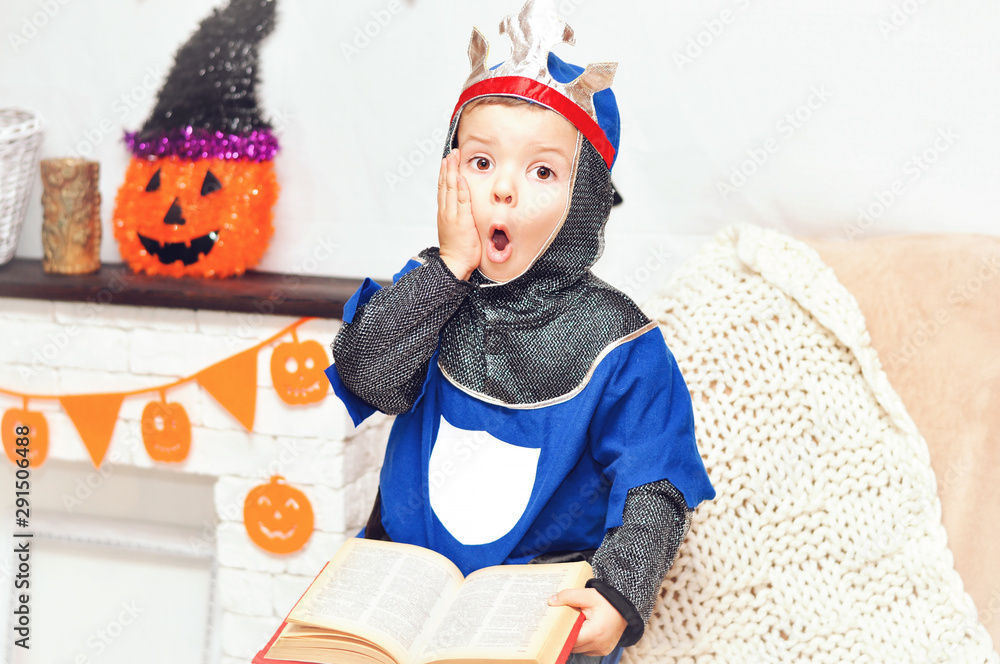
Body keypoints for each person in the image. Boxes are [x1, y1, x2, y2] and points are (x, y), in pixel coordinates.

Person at [325, 2, 715, 661]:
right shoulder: (428, 290)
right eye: (481, 163)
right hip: (405, 596)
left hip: (534, 614)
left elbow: (654, 480)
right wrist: (447, 271)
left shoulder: (621, 345)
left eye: (541, 171)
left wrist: (618, 595)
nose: (503, 189)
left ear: (583, 197)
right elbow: (368, 379)